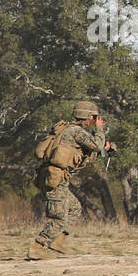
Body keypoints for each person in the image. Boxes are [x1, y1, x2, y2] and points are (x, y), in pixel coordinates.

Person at [26, 100, 115, 259]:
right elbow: (95, 145)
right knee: (58, 218)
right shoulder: (75, 131)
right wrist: (100, 131)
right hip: (55, 178)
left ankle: (58, 241)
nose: (96, 121)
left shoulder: (69, 131)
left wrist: (104, 148)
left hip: (55, 178)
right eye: (95, 118)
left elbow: (85, 155)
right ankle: (37, 248)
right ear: (88, 117)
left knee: (74, 208)